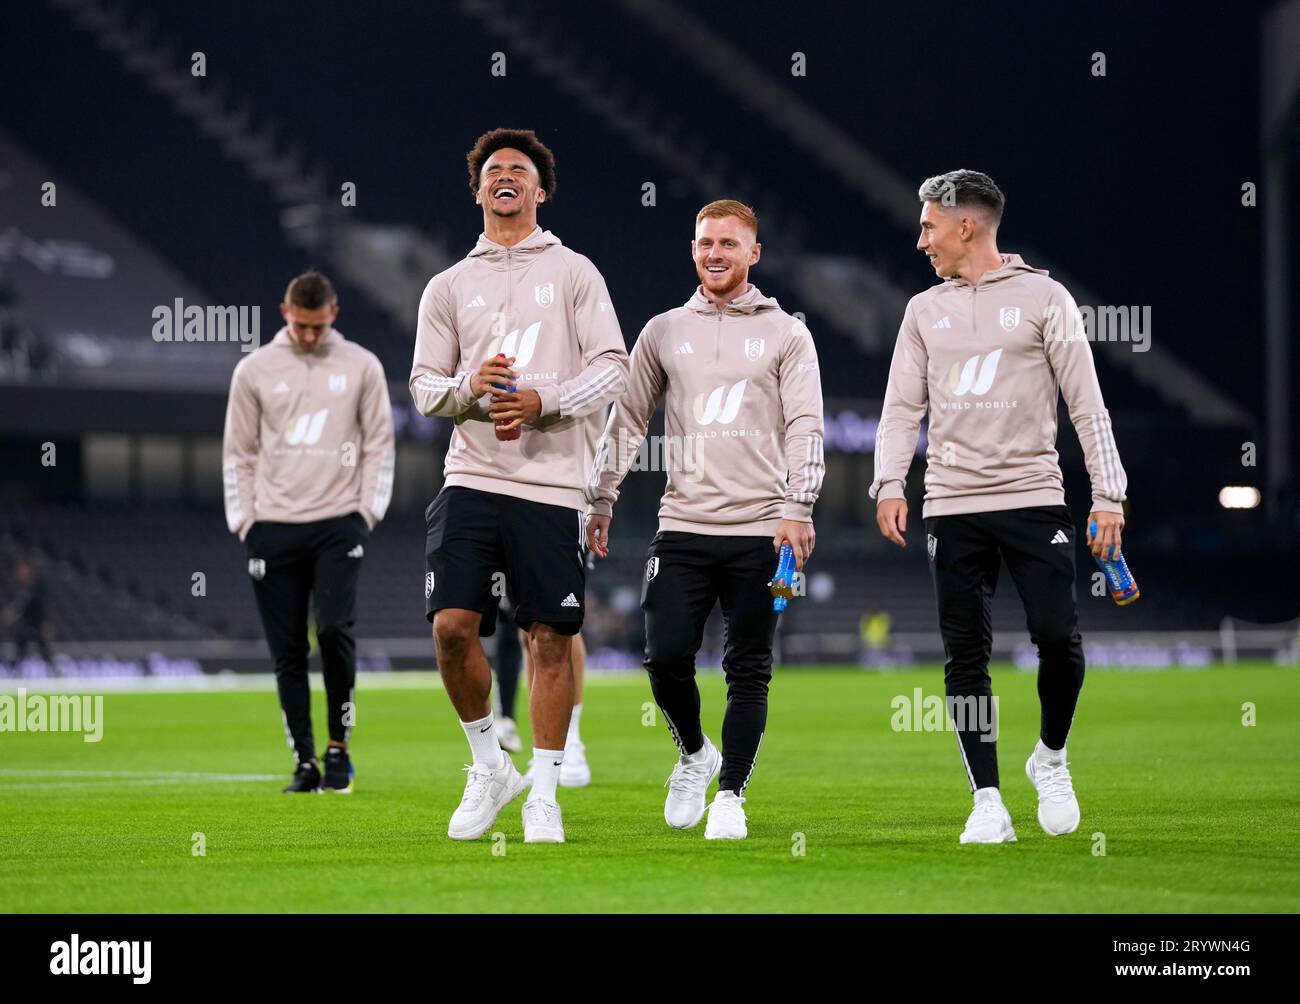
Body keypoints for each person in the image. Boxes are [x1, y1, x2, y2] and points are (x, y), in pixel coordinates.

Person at [870, 169, 1128, 843]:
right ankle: (986, 798)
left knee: (1059, 642)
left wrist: (1109, 494)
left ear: (967, 226)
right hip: (952, 503)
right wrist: (890, 483)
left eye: (928, 225)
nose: (920, 239)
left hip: (1033, 497)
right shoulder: (923, 311)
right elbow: (902, 408)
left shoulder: (1047, 298)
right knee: (965, 656)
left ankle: (1050, 757)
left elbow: (1087, 405)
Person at [410, 128, 628, 844]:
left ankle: (544, 789)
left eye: (520, 171)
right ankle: (487, 766)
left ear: (540, 192)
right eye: (494, 171)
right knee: (450, 629)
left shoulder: (575, 273)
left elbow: (613, 367)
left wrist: (546, 400)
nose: (506, 178)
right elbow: (421, 386)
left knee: (551, 637)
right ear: (477, 191)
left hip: (551, 483)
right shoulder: (448, 286)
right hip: (471, 474)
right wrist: (468, 390)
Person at [586, 200, 824, 840]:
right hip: (684, 526)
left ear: (754, 253)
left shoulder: (787, 334)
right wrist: (601, 494)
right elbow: (629, 417)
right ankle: (695, 753)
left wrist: (799, 506)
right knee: (664, 659)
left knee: (749, 668)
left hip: (762, 531)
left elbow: (806, 426)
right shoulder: (664, 331)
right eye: (703, 243)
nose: (714, 253)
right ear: (693, 250)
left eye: (727, 243)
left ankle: (731, 796)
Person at [223, 270, 395, 794]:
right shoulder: (253, 370)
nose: (310, 336)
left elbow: (379, 445)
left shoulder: (362, 365)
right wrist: (245, 520)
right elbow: (239, 452)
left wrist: (366, 512)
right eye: (302, 326)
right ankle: (304, 760)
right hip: (271, 527)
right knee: (287, 651)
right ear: (285, 314)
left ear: (333, 315)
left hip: (337, 523)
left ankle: (338, 748)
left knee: (336, 631)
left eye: (318, 327)